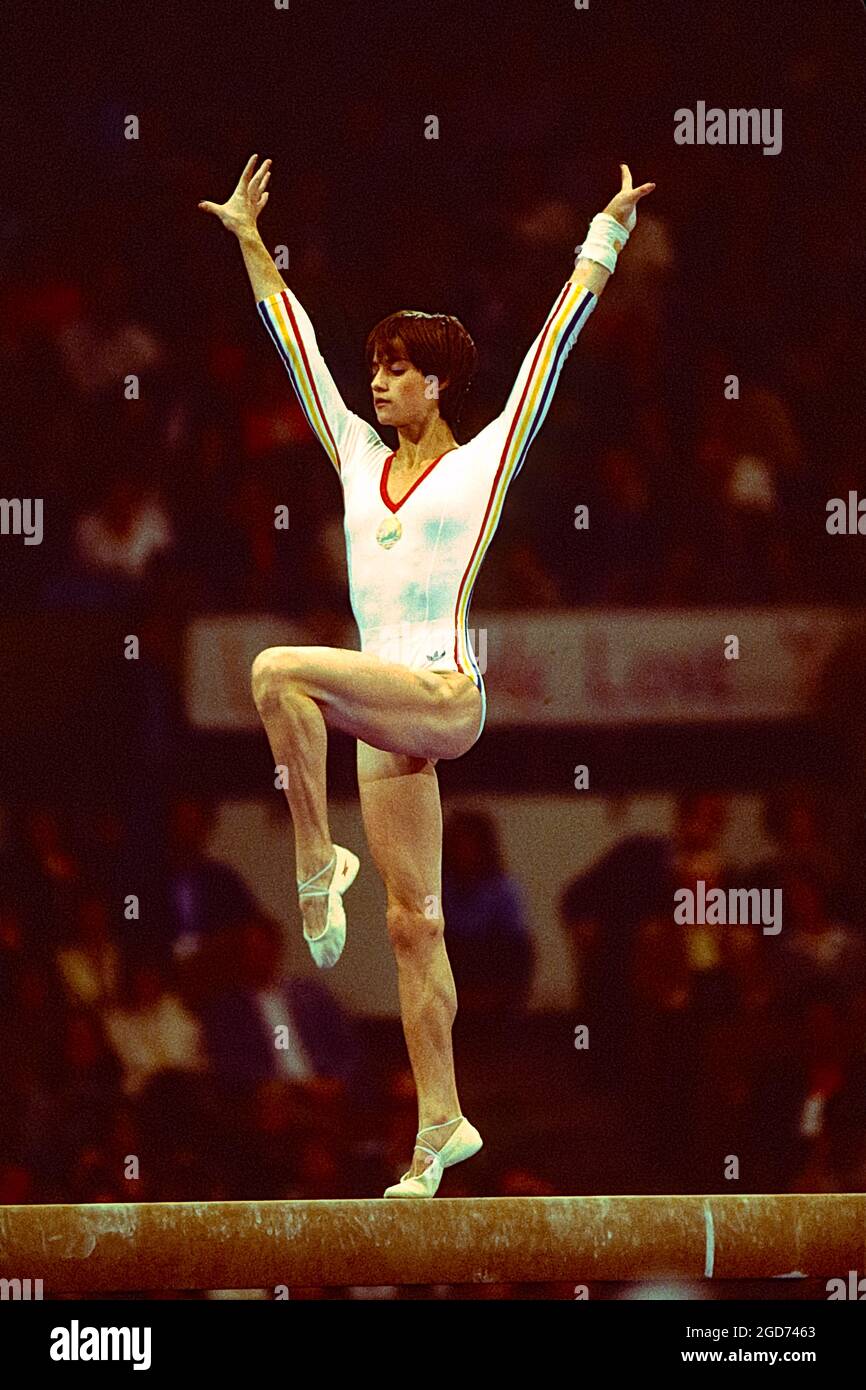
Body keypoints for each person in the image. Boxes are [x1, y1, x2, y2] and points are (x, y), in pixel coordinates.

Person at [199, 155, 655, 1195]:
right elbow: (294, 346)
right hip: (382, 722)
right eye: (374, 367)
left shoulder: (482, 461)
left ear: (438, 382)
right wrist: (250, 242)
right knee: (414, 924)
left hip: (443, 696)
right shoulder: (358, 460)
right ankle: (440, 1124)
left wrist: (605, 235)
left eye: (397, 368)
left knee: (277, 671)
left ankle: (314, 861)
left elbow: (552, 347)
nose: (375, 381)